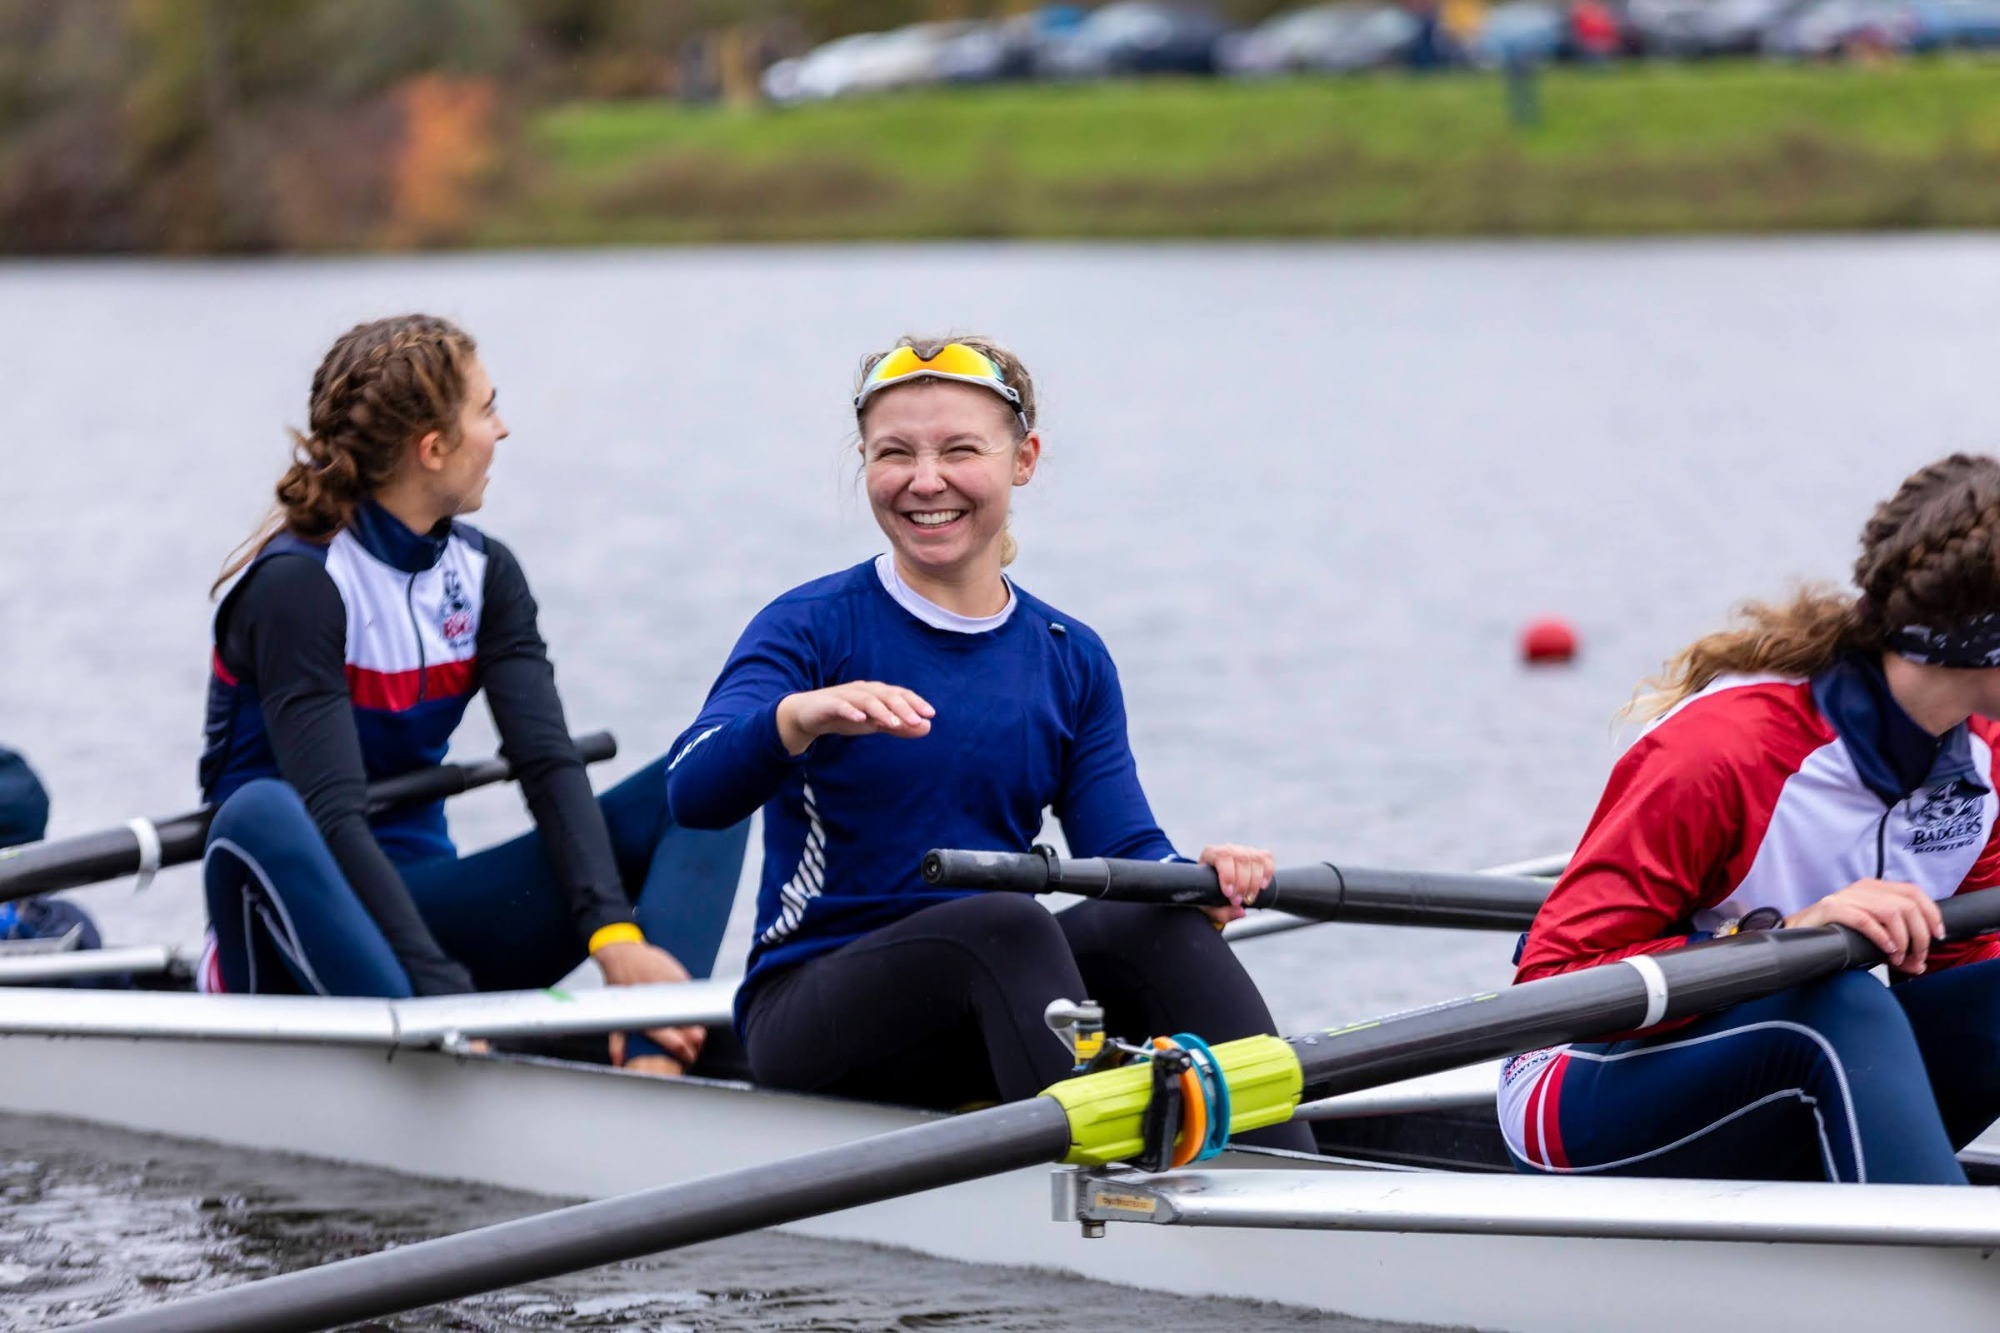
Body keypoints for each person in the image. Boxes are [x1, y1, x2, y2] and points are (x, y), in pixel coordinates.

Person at [665, 335, 1314, 1150]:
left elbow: (1125, 852)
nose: (924, 480)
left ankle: (1289, 1168)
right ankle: (1091, 1173)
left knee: (1156, 926)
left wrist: (1200, 880)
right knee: (1005, 923)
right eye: (894, 453)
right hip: (816, 1012)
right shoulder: (810, 627)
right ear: (864, 463)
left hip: (998, 992)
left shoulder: (1068, 655)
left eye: (959, 450)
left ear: (1023, 460)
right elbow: (691, 790)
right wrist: (795, 718)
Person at [200, 314, 745, 1074]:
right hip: (300, 925)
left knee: (718, 773)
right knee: (259, 809)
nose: (502, 429)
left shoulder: (485, 575)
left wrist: (612, 935)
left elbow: (547, 763)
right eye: (487, 410)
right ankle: (437, 1030)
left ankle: (655, 1050)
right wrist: (439, 989)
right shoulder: (299, 584)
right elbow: (333, 816)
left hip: (427, 911)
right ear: (432, 448)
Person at [1502, 453, 2000, 1184]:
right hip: (1578, 1074)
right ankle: (1932, 1249)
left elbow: (1966, 974)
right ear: (1977, 636)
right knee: (1841, 1001)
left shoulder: (1983, 761)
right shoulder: (1723, 752)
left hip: (1780, 1069)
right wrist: (1778, 940)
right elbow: (1551, 983)